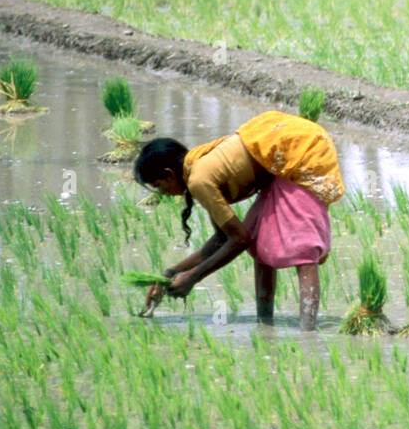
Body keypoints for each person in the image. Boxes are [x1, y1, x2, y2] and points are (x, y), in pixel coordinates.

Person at [134, 110, 345, 329]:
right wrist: (172, 272)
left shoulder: (199, 179)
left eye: (160, 186)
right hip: (284, 151)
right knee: (263, 241)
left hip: (302, 150)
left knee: (303, 247)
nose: (163, 193)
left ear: (169, 174)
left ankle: (308, 332)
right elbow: (221, 239)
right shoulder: (197, 168)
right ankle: (265, 324)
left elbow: (240, 239)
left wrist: (193, 277)